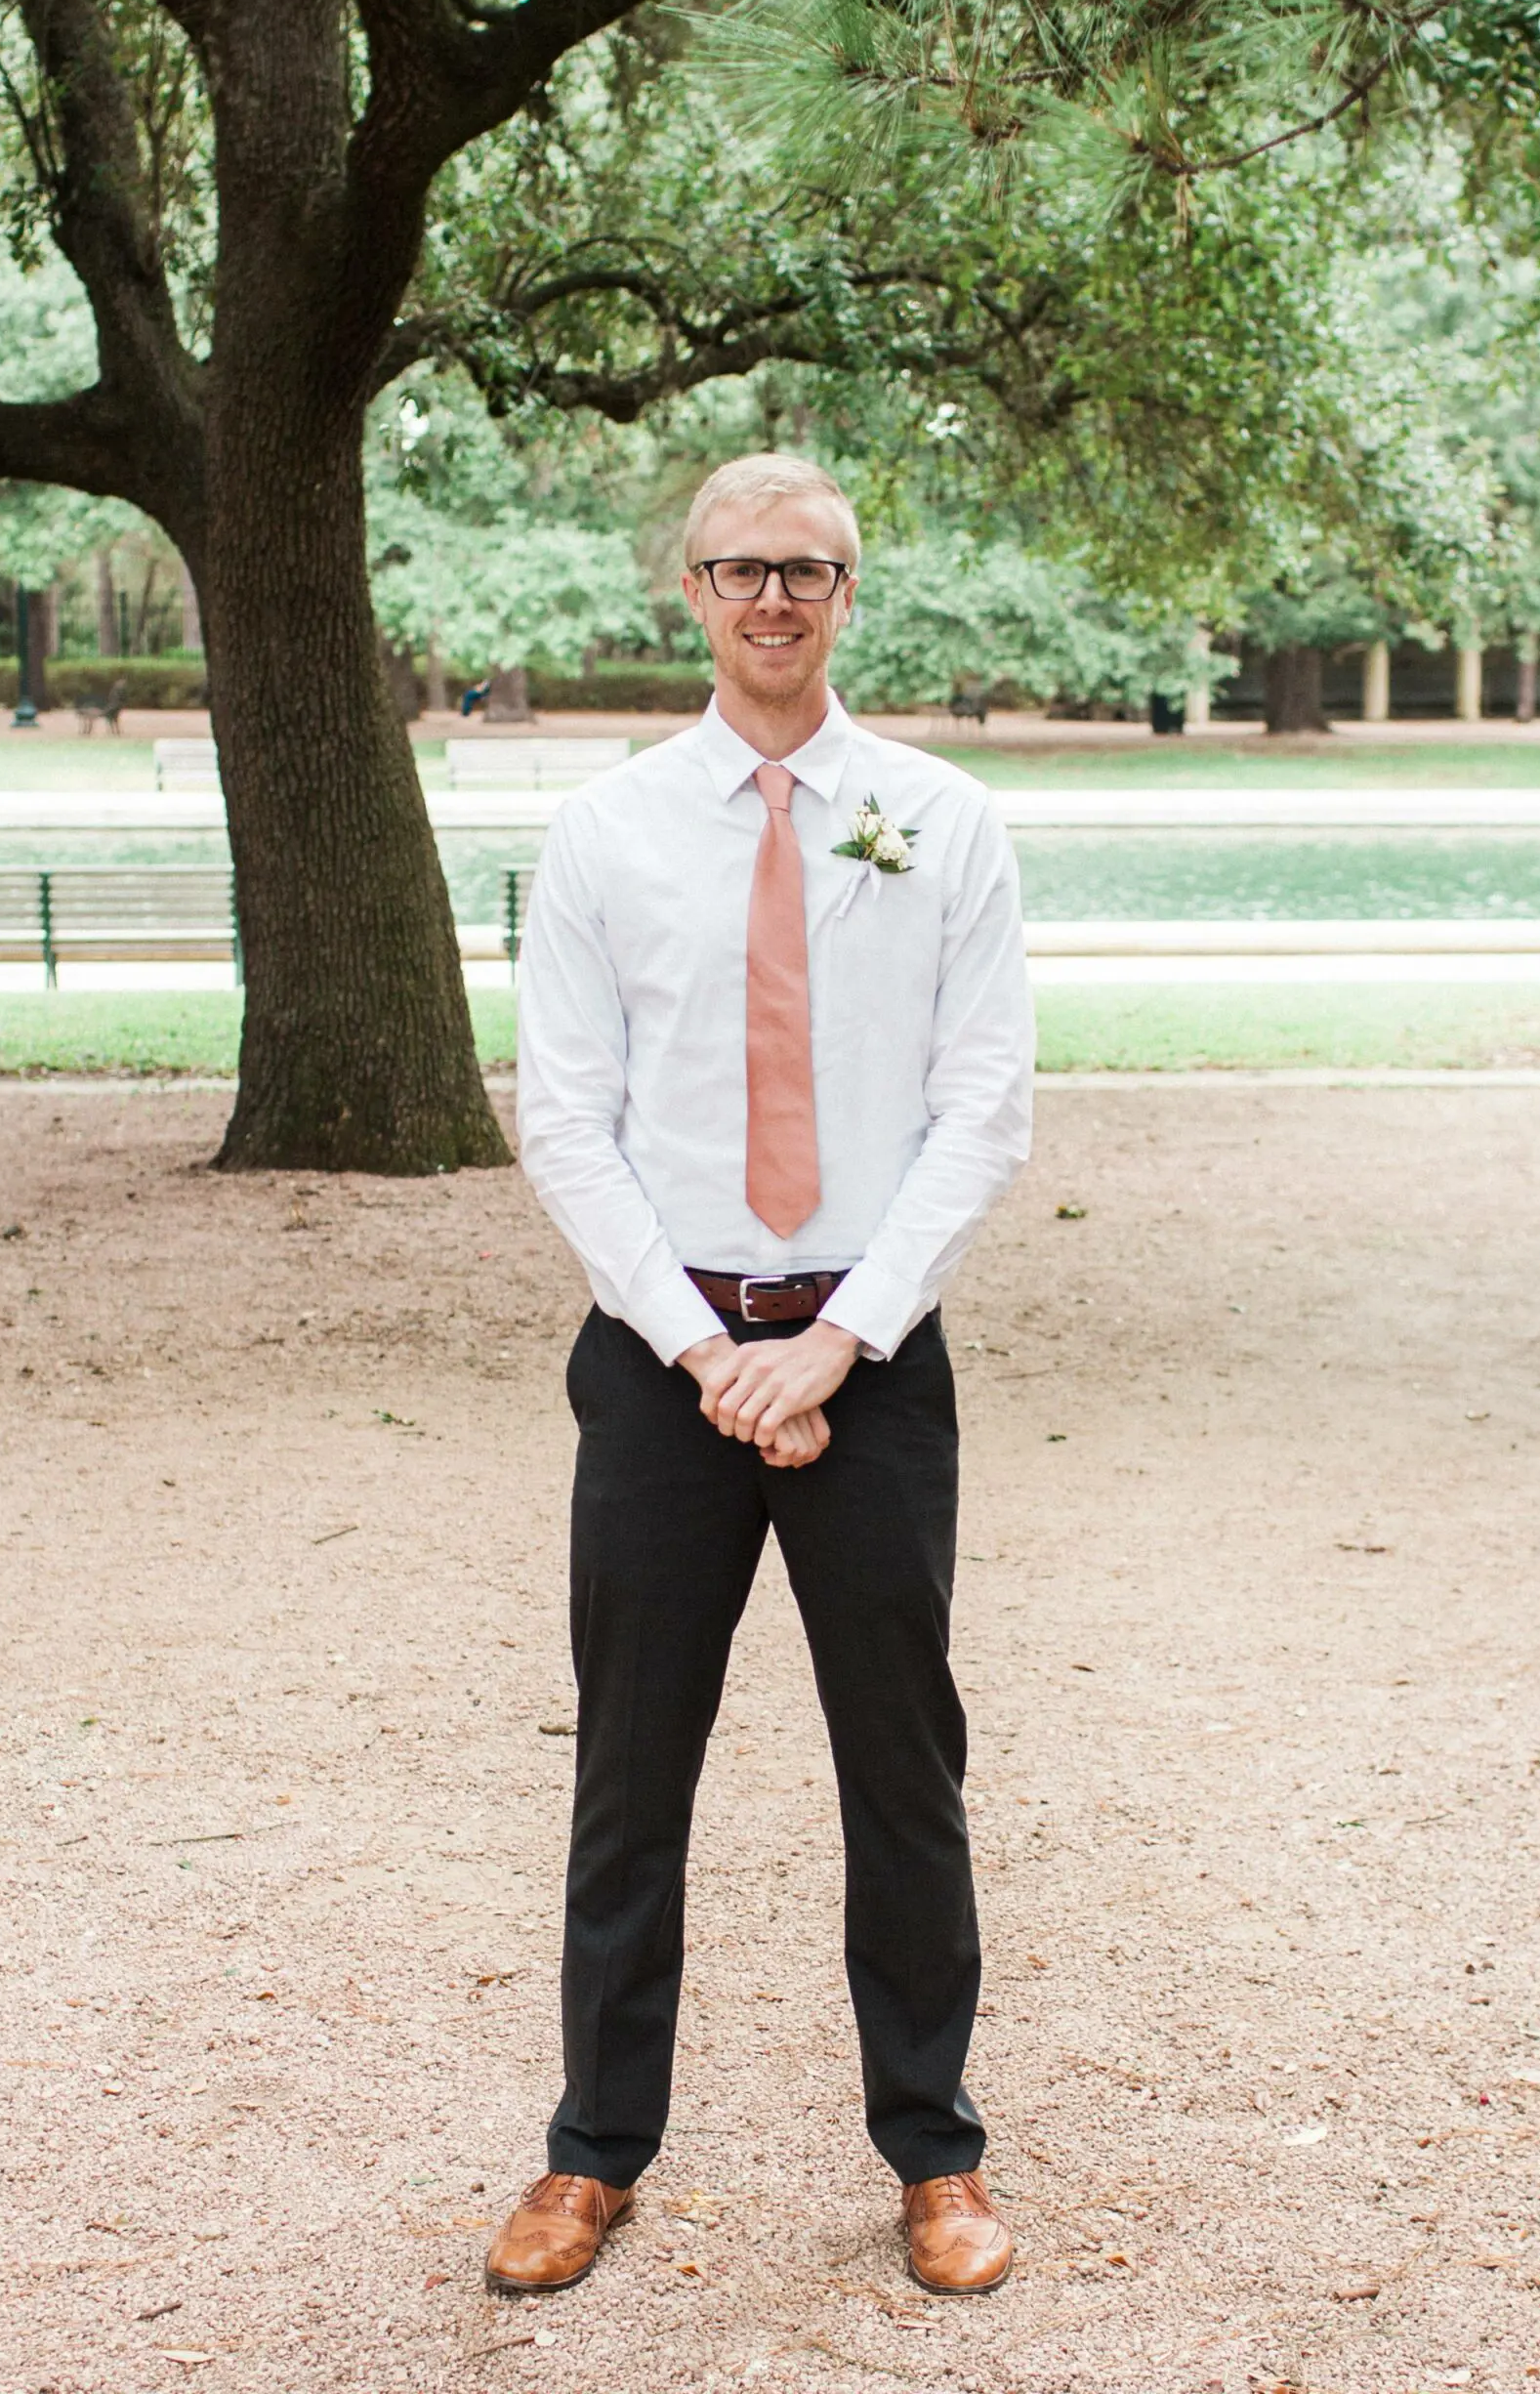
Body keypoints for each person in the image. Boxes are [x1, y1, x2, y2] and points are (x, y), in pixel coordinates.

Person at [491, 452, 1034, 2299]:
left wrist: (836, 1336)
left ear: (849, 597)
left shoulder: (940, 820)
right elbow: (565, 1122)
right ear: (696, 595)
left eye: (808, 572)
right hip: (666, 1362)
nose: (775, 600)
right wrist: (708, 1349)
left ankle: (936, 2155)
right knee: (635, 1766)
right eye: (740, 570)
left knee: (904, 1764)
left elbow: (984, 1112)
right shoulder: (608, 832)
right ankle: (592, 2154)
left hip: (869, 1356)